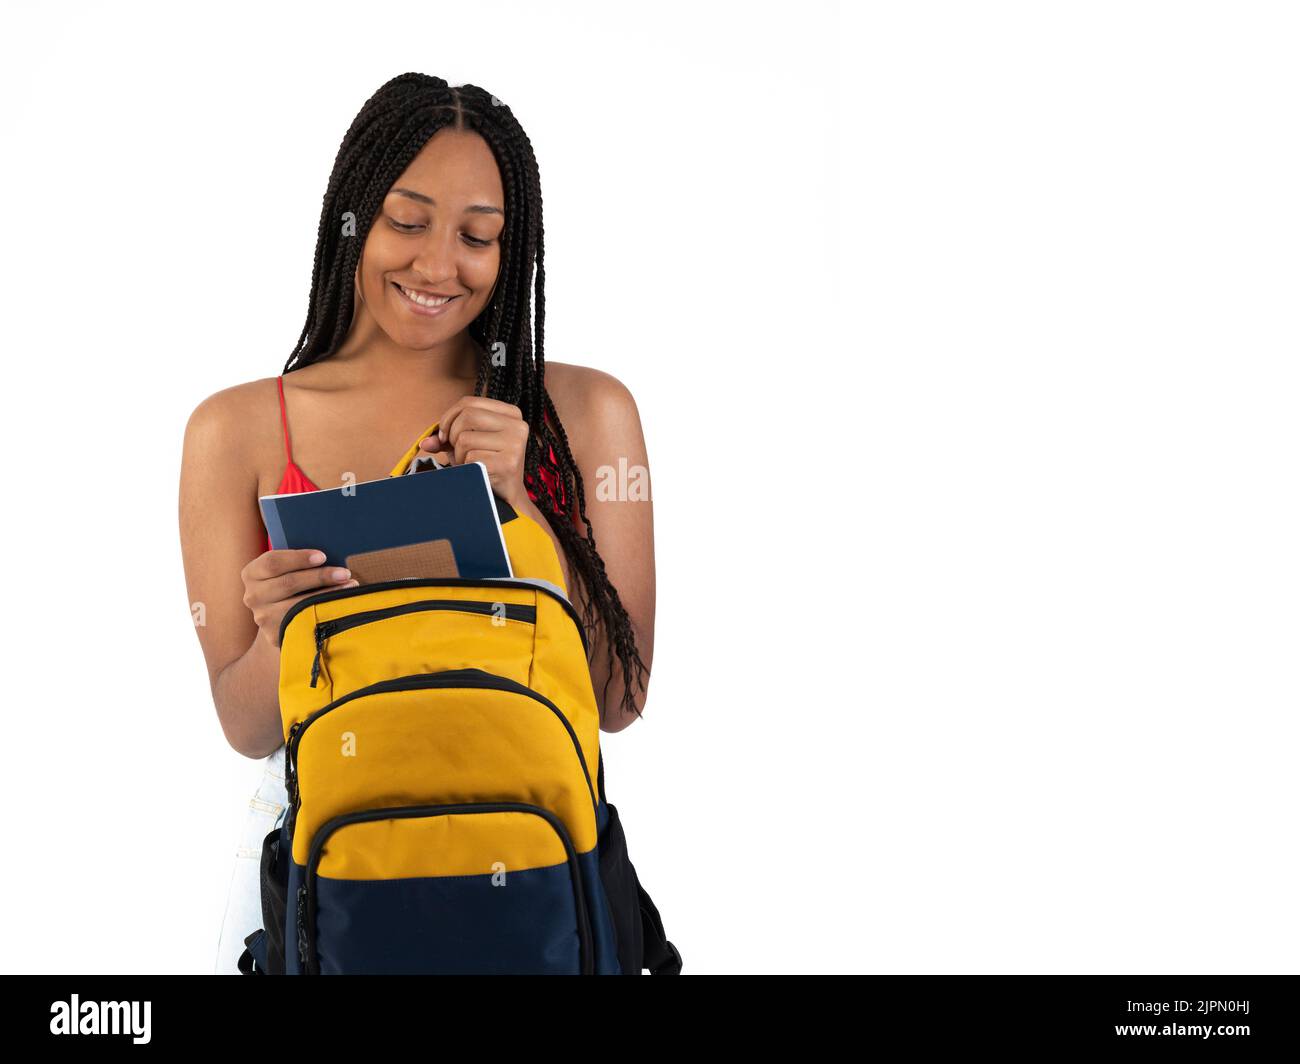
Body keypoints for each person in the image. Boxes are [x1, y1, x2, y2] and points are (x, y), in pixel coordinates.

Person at [177, 73, 655, 974]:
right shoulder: (234, 430)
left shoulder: (585, 413)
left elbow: (619, 700)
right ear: (352, 215)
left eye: (478, 236)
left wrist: (529, 512)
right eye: (406, 221)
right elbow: (246, 727)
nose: (439, 267)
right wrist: (282, 628)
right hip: (336, 882)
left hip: (548, 879)